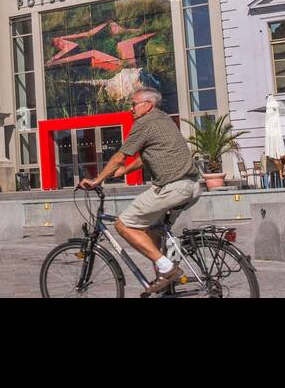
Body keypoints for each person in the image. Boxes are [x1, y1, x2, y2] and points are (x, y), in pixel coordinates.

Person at [80, 88, 202, 296]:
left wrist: (96, 180)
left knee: (123, 224)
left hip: (171, 187)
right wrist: (125, 171)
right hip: (192, 186)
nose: (130, 109)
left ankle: (168, 268)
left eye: (134, 104)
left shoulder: (144, 123)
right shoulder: (164, 120)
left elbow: (120, 155)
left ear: (148, 105)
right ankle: (166, 278)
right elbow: (149, 155)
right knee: (152, 231)